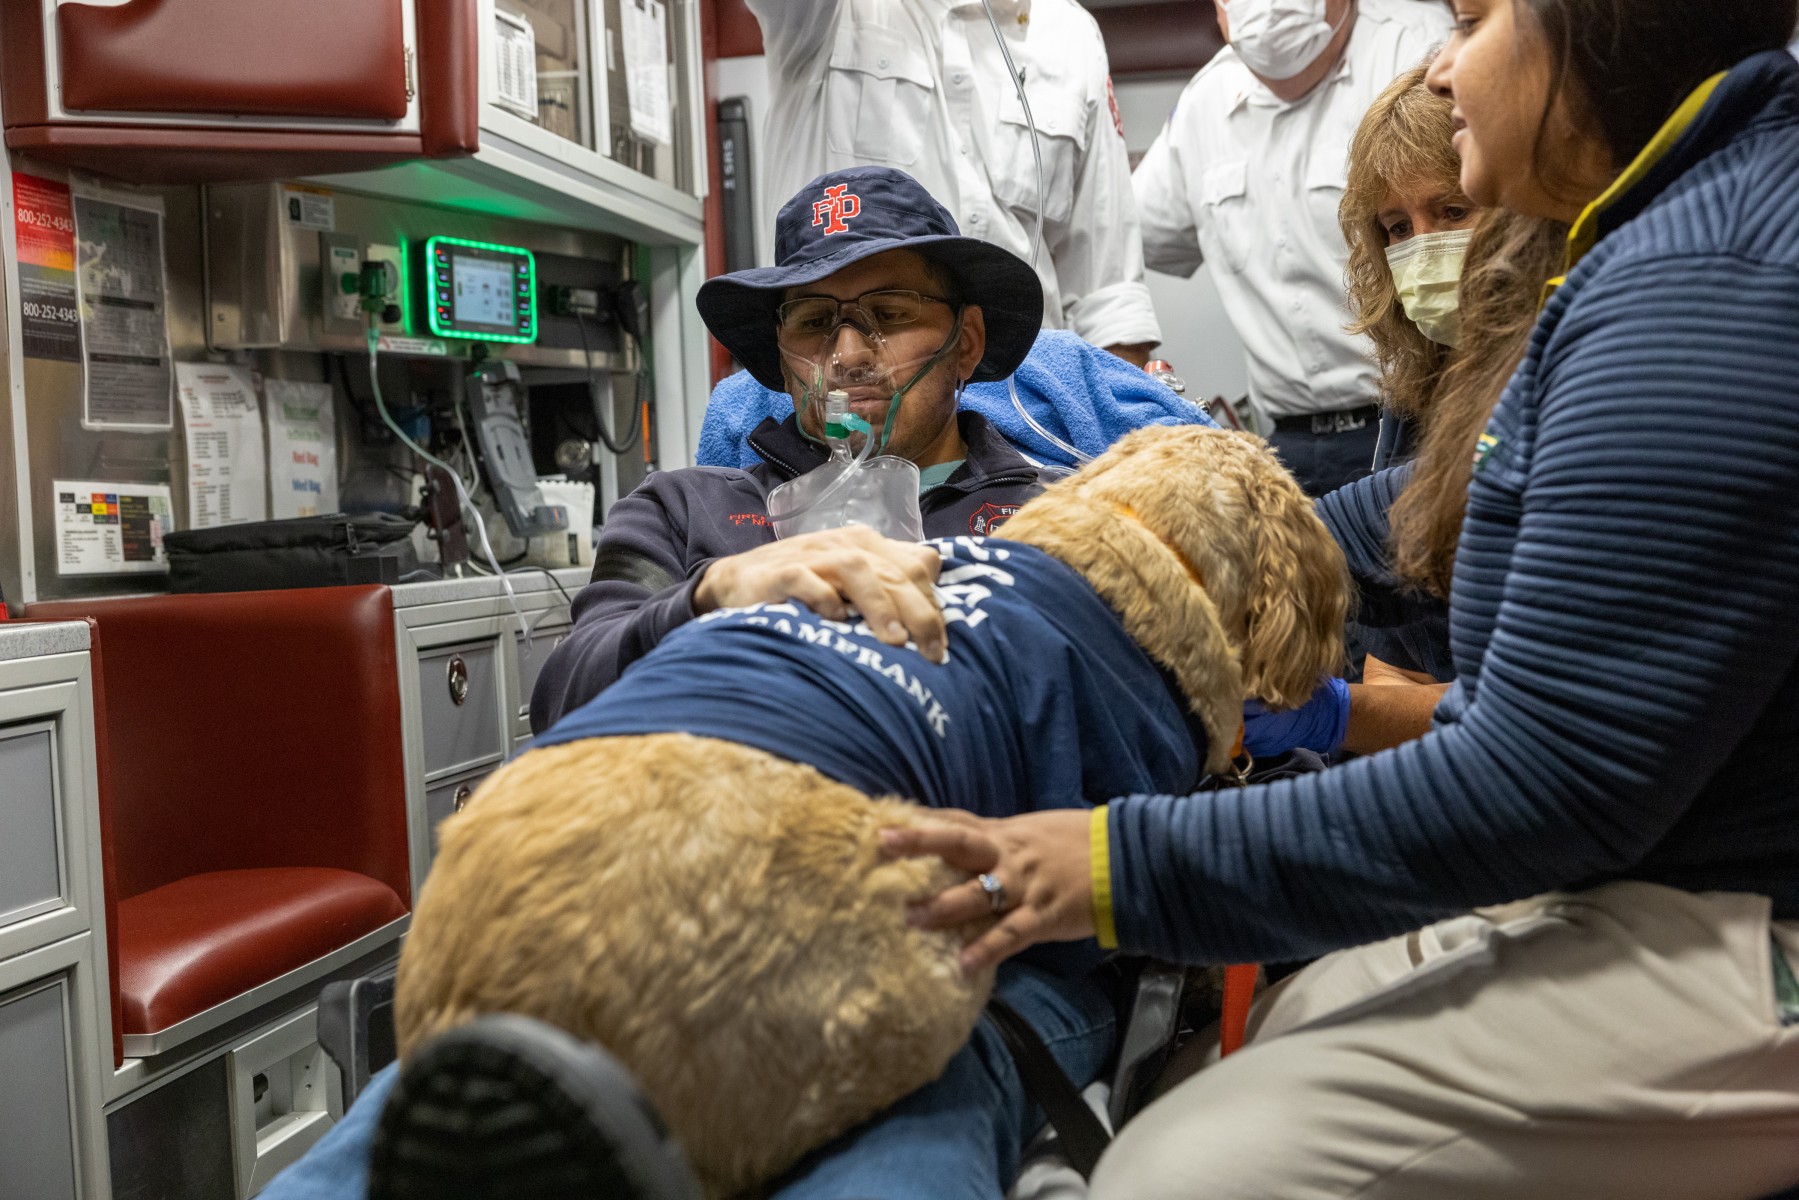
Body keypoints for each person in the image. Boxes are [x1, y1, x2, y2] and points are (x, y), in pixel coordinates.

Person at [894, 4, 1799, 1196]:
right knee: (1299, 1003)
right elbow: (1418, 508)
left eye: (1470, 19)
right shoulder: (1664, 236)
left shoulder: (1698, 284)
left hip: (1740, 923)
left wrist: (1111, 867)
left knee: (1172, 1171)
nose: (1437, 60)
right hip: (1659, 862)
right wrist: (1146, 554)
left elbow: (1540, 782)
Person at [531, 166, 1066, 730]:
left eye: (890, 313)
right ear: (781, 359)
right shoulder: (682, 512)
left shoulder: (1057, 514)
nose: (848, 354)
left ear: (966, 343)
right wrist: (710, 599)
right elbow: (565, 701)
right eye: (813, 321)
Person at [1247, 64, 1567, 758]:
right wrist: (1368, 715)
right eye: (1395, 227)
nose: (1420, 247)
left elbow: (1555, 713)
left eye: (1451, 212)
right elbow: (1398, 648)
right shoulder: (1420, 391)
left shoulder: (1571, 376)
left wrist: (1345, 716)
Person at [1132, 0, 1452, 494]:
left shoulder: (1418, 48)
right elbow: (1130, 232)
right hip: (1286, 441)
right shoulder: (1207, 100)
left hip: (1415, 418)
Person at [746, 0, 1163, 365]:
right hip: (842, 381)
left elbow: (1109, 294)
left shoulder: (1068, 31)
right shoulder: (829, 14)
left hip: (1025, 401)